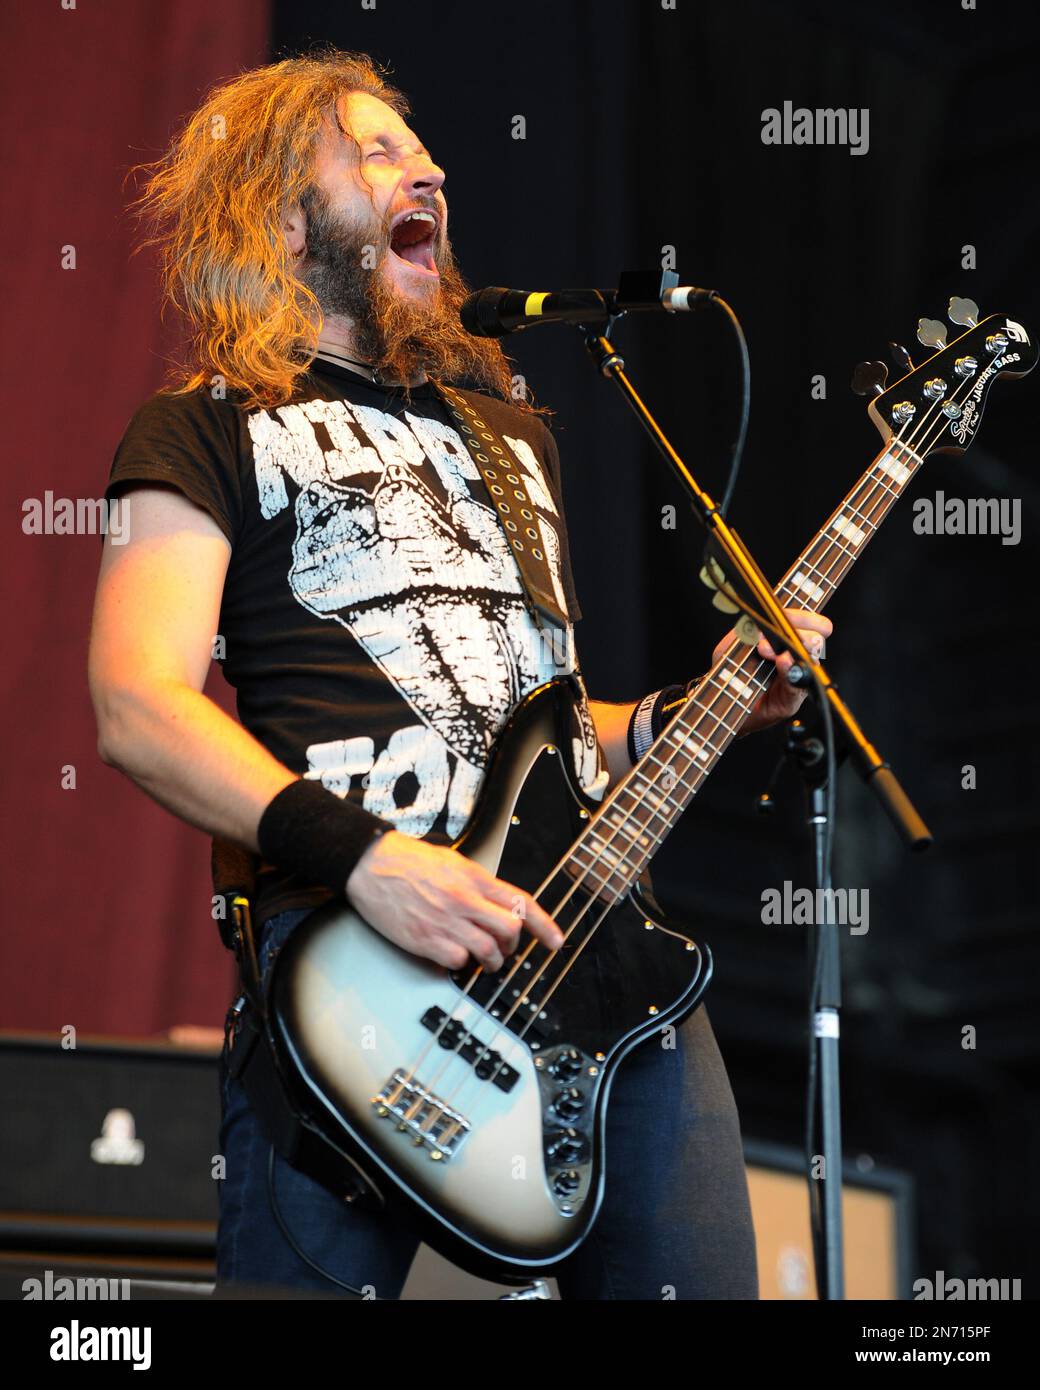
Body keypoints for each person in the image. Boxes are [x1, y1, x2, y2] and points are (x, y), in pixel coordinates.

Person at [88, 50, 832, 1299]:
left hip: (594, 950)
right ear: (280, 216)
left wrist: (679, 714)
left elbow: (538, 722)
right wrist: (374, 862)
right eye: (374, 151)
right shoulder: (206, 422)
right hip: (351, 961)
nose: (425, 165)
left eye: (422, 150)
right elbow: (136, 702)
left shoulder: (508, 432)